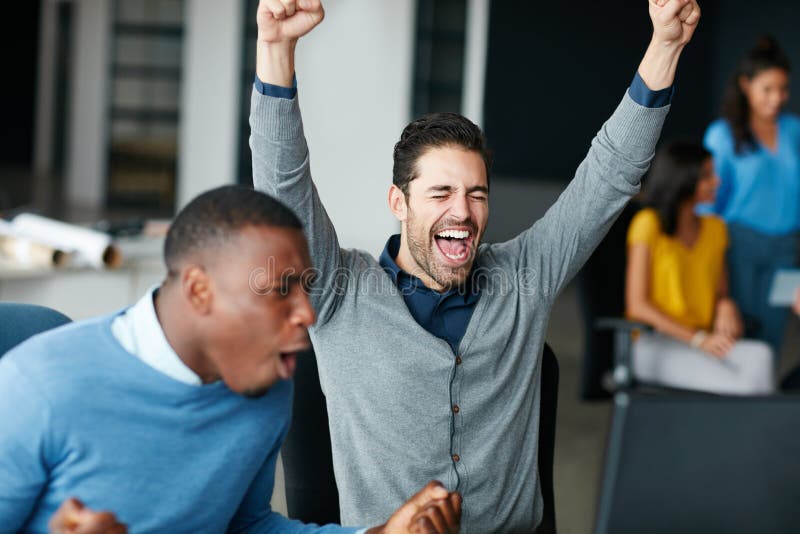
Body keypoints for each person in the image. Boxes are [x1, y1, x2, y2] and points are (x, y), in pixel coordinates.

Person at [250, 0, 700, 530]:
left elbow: (609, 176)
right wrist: (276, 49)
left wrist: (666, 44)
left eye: (476, 194)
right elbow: (284, 191)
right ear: (399, 202)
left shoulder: (523, 281)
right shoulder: (339, 291)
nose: (462, 211)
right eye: (441, 192)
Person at [0, 186, 461, 534]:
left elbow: (245, 525)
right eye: (280, 290)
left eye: (304, 286)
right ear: (200, 291)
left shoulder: (264, 385)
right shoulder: (36, 386)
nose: (306, 313)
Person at [625, 141, 774, 394]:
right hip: (655, 343)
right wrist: (697, 339)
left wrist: (726, 304)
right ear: (683, 179)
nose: (716, 181)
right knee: (744, 386)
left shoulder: (715, 228)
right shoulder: (648, 224)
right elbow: (637, 305)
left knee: (762, 356)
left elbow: (720, 291)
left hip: (702, 337)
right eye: (707, 176)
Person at [703, 36, 800, 357]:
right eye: (767, 89)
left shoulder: (793, 130)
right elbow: (707, 203)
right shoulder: (723, 135)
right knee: (739, 334)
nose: (777, 98)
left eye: (783, 89)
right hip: (739, 246)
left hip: (786, 250)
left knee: (773, 336)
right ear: (746, 85)